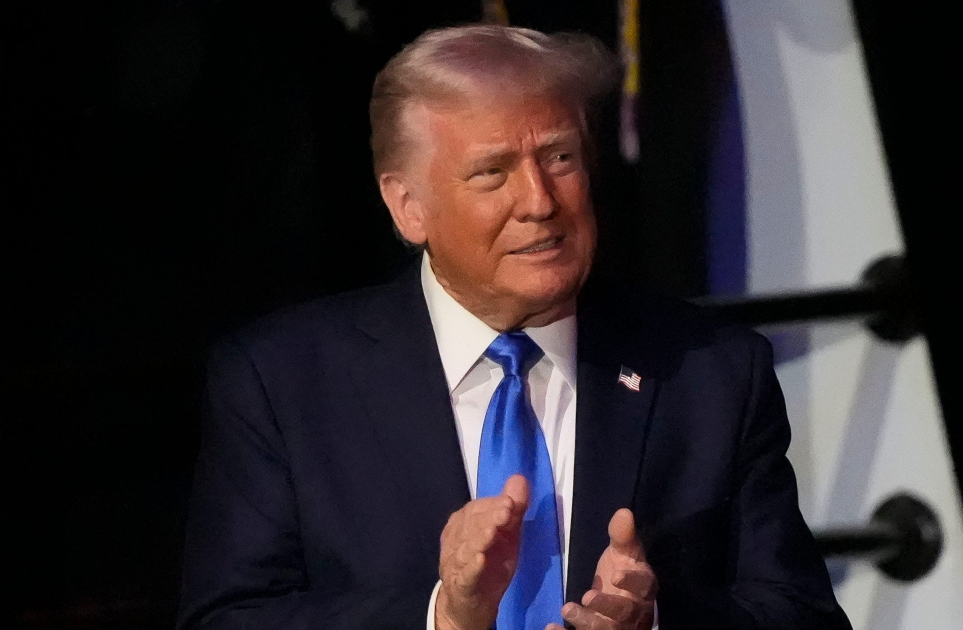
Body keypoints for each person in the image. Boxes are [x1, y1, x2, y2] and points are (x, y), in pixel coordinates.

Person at [177, 24, 851, 630]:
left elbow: (803, 618)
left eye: (559, 158)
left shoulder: (711, 373)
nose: (539, 202)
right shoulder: (284, 381)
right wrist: (441, 618)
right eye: (493, 172)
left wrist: (654, 621)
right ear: (408, 207)